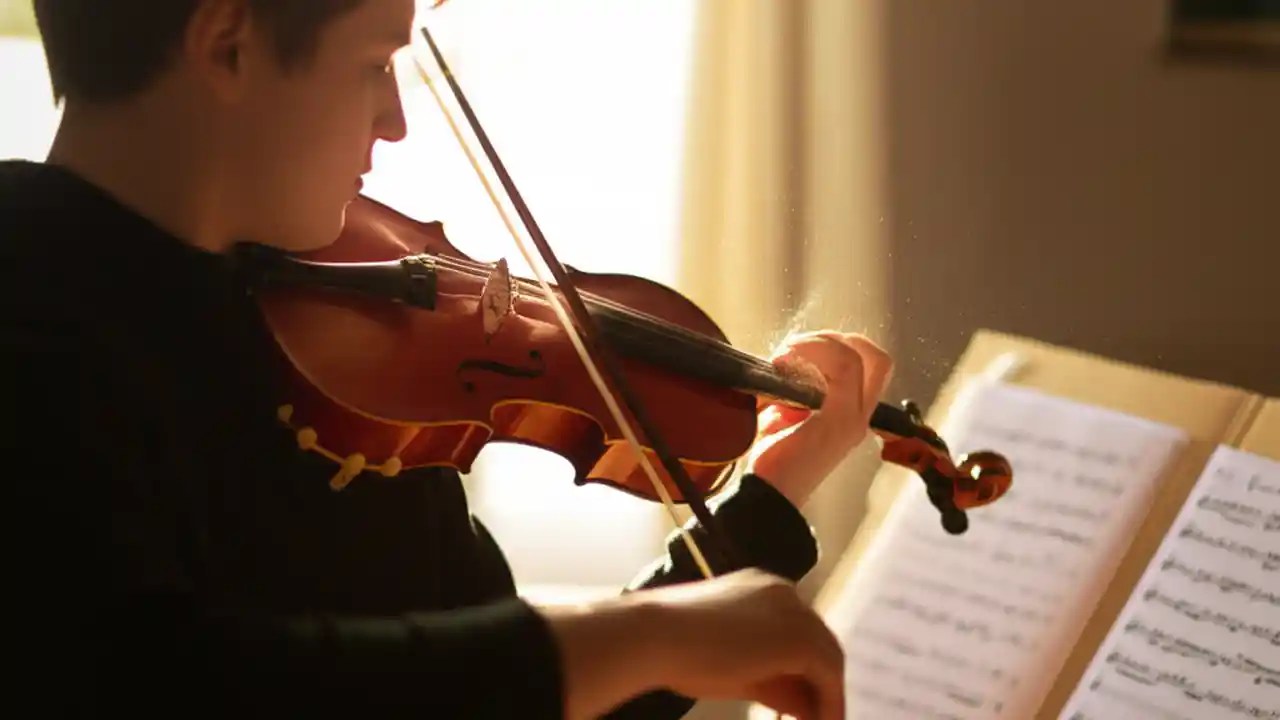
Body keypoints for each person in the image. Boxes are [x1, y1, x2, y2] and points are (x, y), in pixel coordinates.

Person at [0, 1, 894, 717]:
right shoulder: (33, 320)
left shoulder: (352, 361)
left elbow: (509, 697)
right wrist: (643, 635)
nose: (393, 122)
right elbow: (147, 680)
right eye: (374, 64)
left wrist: (765, 503)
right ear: (228, 43)